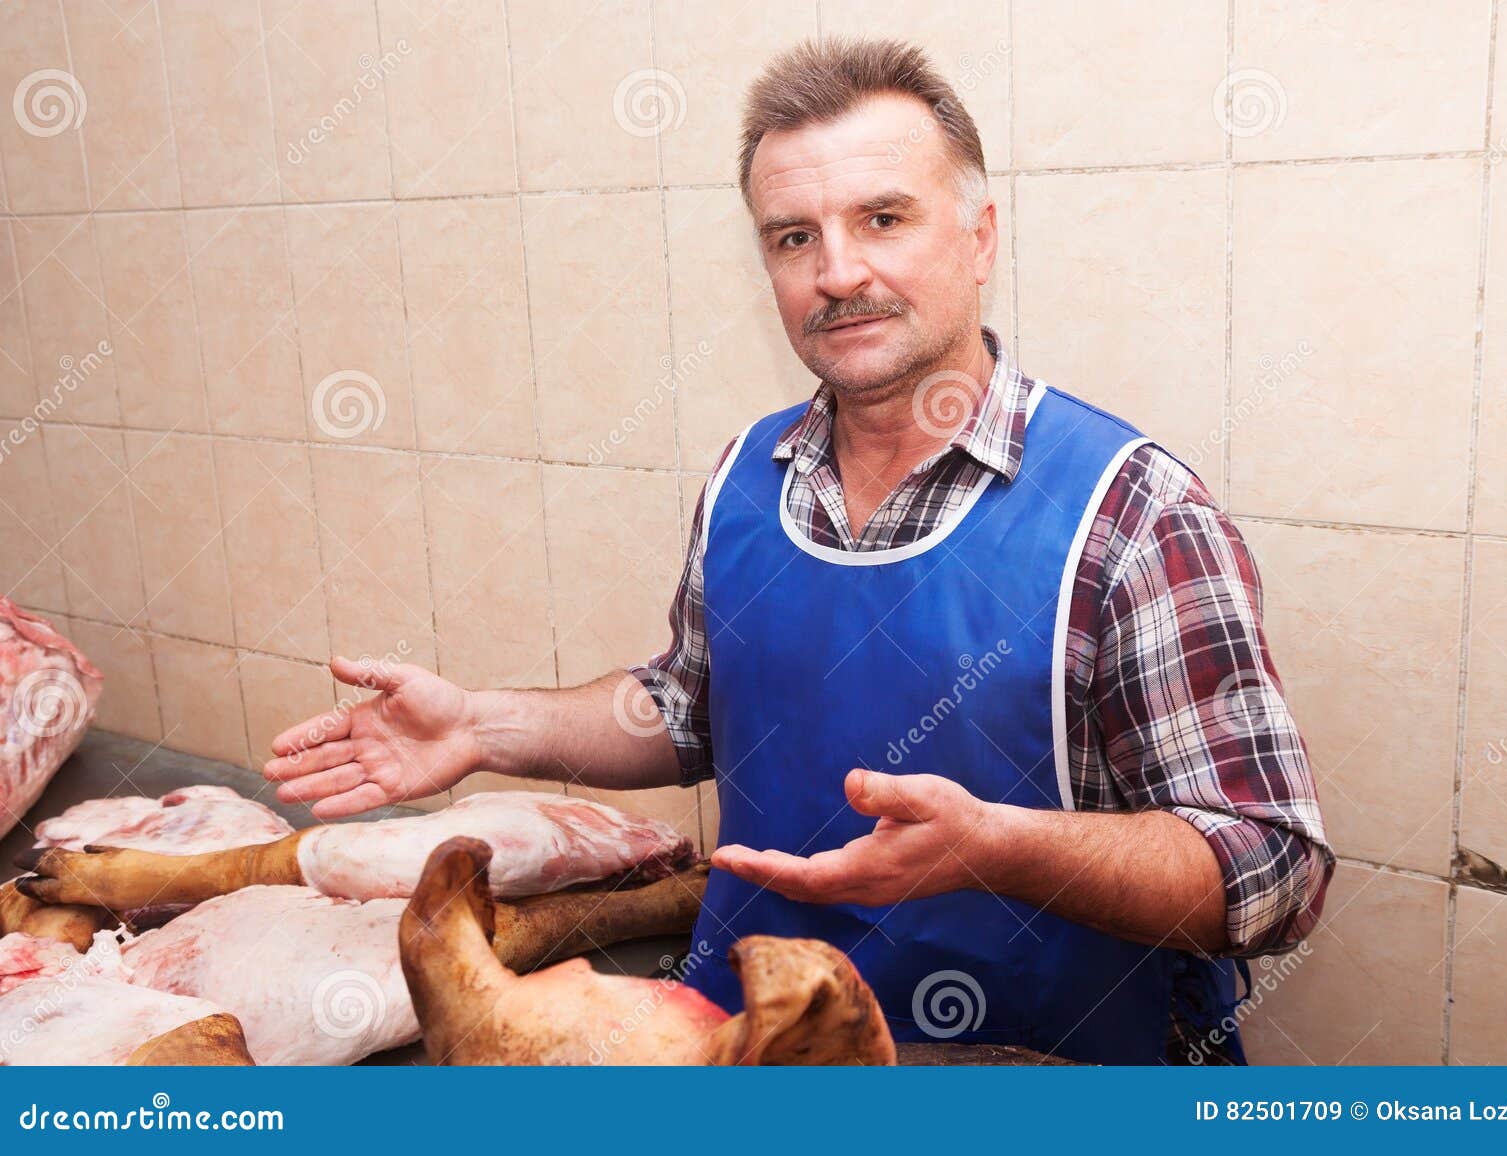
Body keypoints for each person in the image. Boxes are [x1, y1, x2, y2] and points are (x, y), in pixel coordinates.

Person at [265, 37, 1333, 1065]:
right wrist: (481, 724)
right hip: (749, 1055)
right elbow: (688, 709)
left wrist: (999, 848)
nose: (837, 271)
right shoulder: (749, 477)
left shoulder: (1129, 512)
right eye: (792, 238)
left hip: (1033, 1073)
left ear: (979, 238)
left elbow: (1273, 869)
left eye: (883, 219)